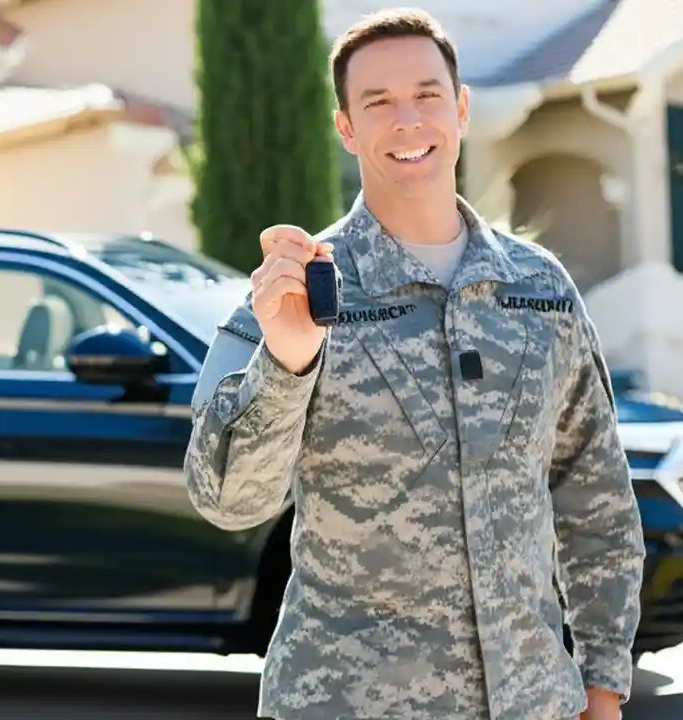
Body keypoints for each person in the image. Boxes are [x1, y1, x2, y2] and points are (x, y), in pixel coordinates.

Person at [183, 8, 645, 720]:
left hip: (531, 702)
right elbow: (227, 502)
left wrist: (605, 682)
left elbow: (597, 497)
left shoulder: (539, 289)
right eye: (378, 102)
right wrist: (289, 361)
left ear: (459, 109)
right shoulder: (295, 293)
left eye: (427, 94)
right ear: (345, 127)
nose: (408, 120)